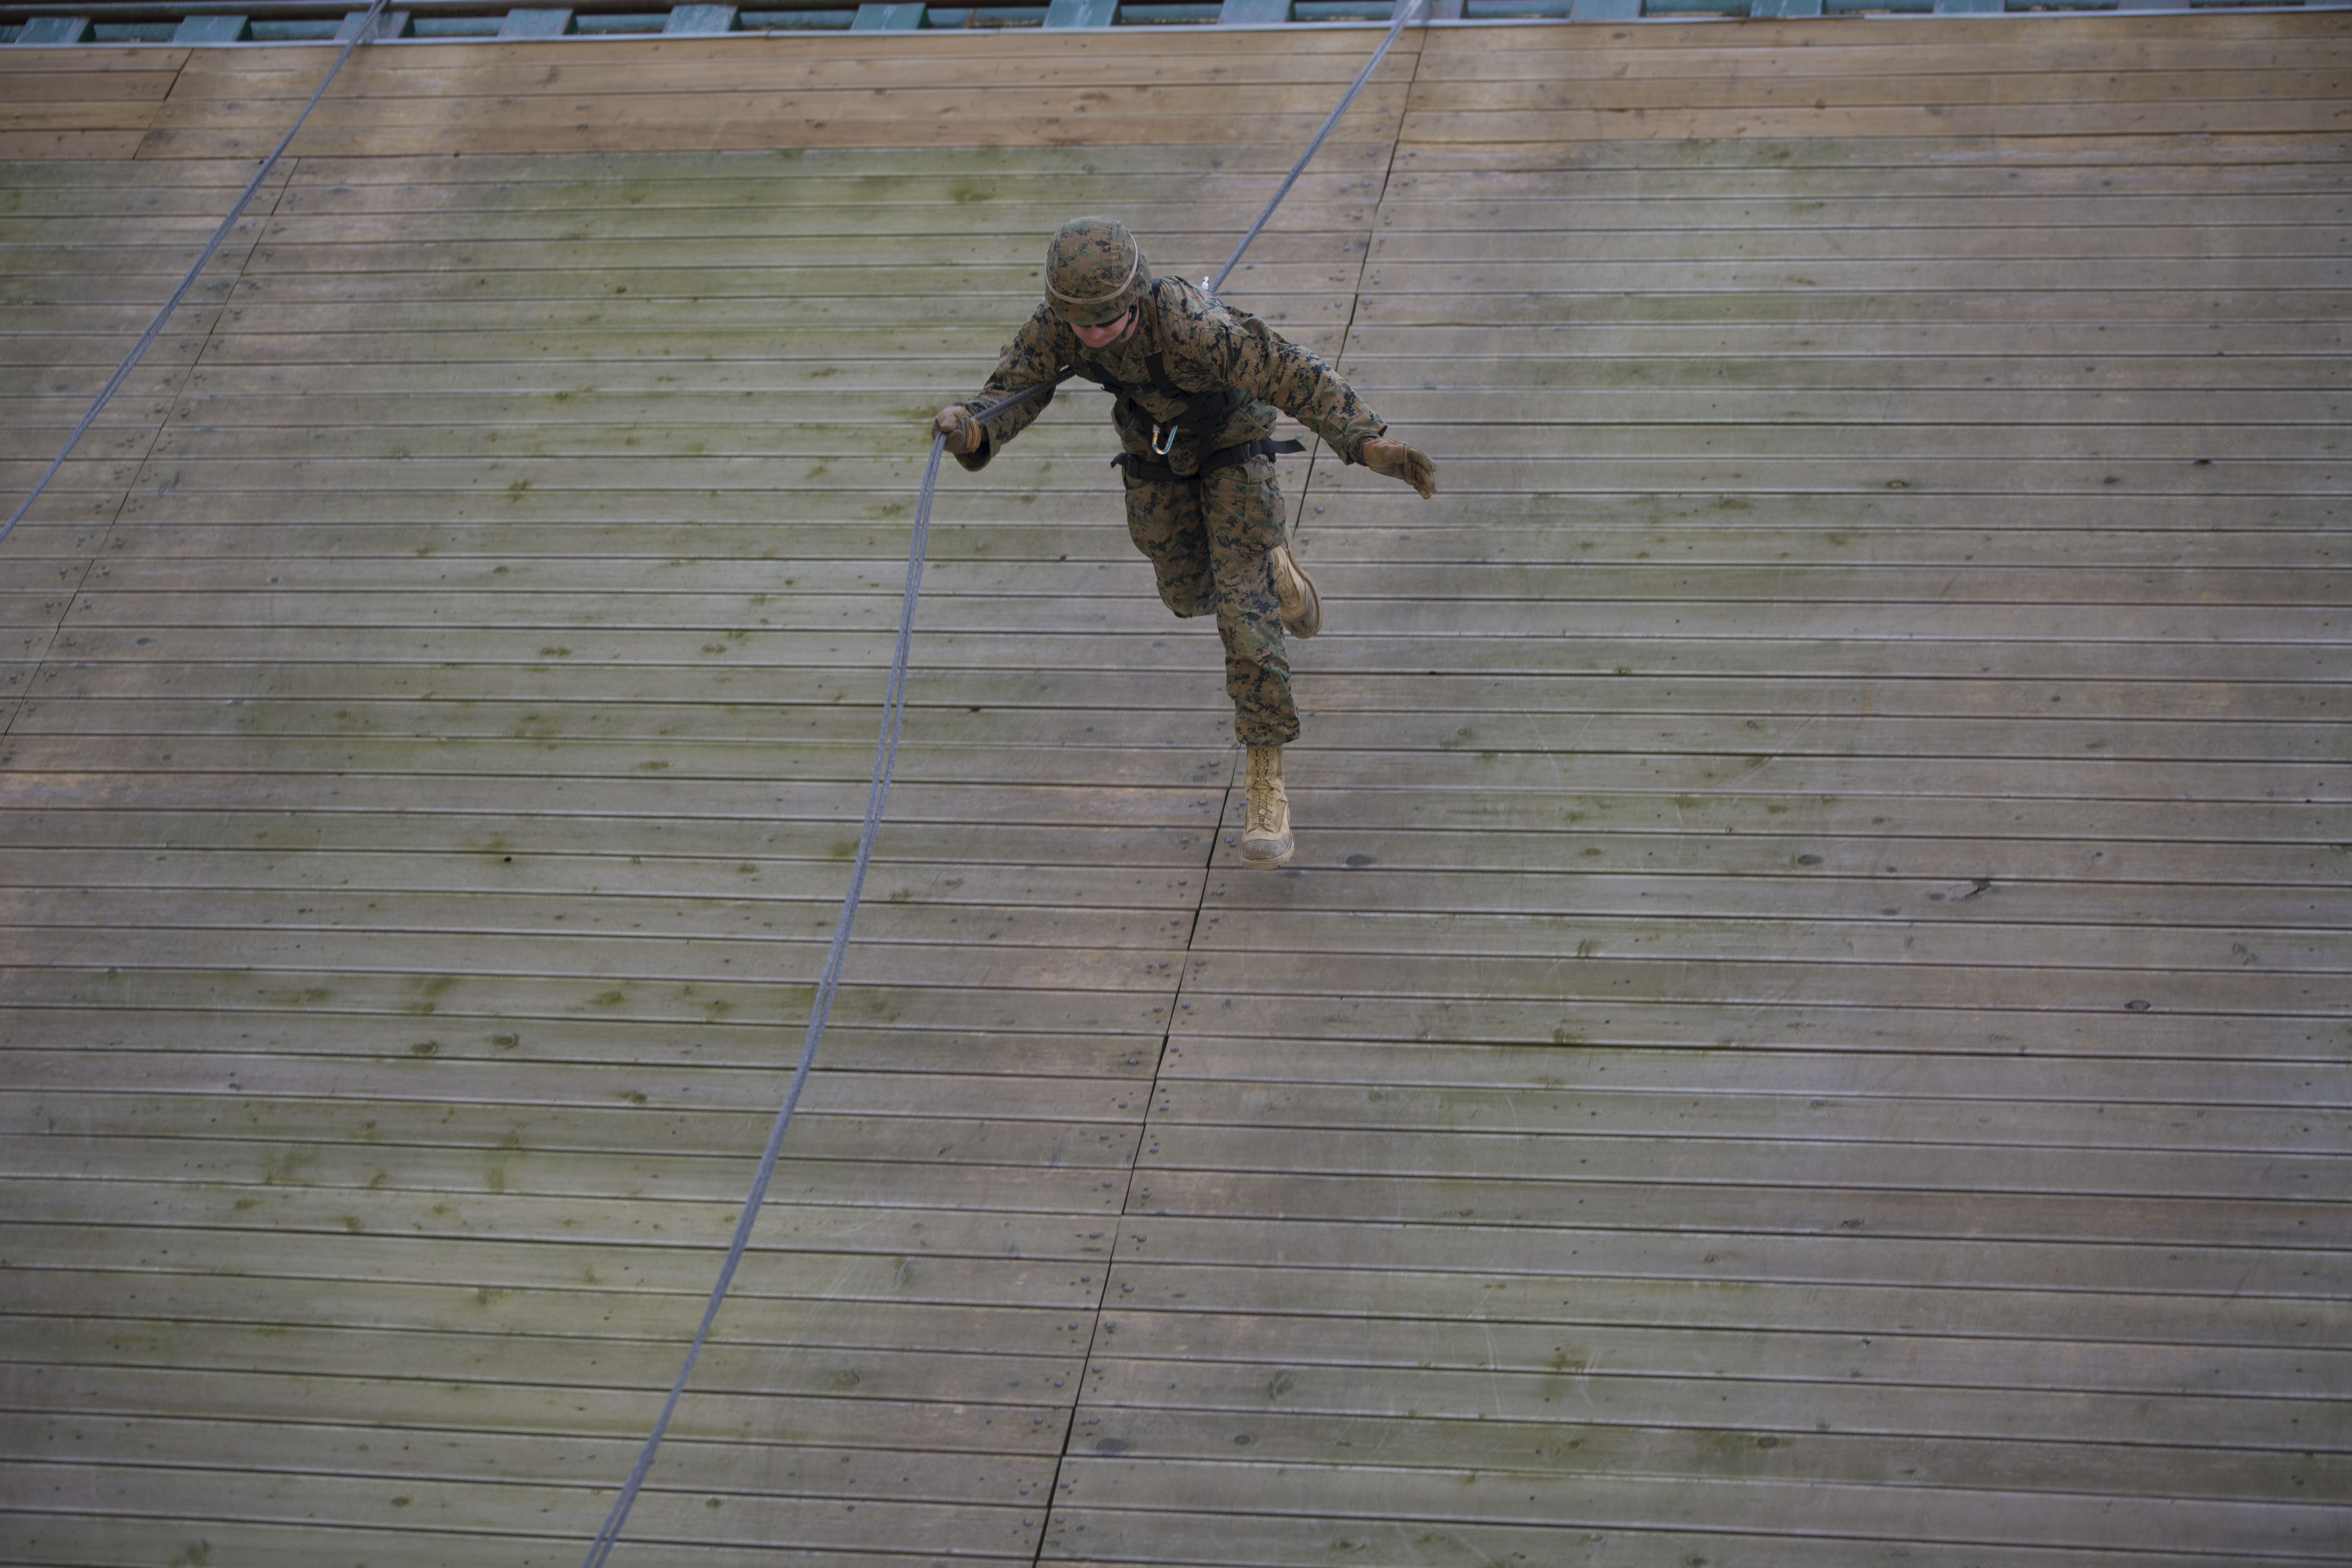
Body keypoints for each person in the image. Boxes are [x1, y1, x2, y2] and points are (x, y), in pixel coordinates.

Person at [933, 216, 1436, 869]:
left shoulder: (1190, 324)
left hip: (1232, 441)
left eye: (1107, 321)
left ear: (1135, 298)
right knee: (1185, 592)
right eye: (1081, 323)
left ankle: (1266, 784)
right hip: (1154, 449)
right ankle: (1275, 567)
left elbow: (1289, 372)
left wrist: (1366, 442)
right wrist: (972, 430)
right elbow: (1013, 389)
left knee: (1243, 618)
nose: (1092, 334)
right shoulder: (1062, 321)